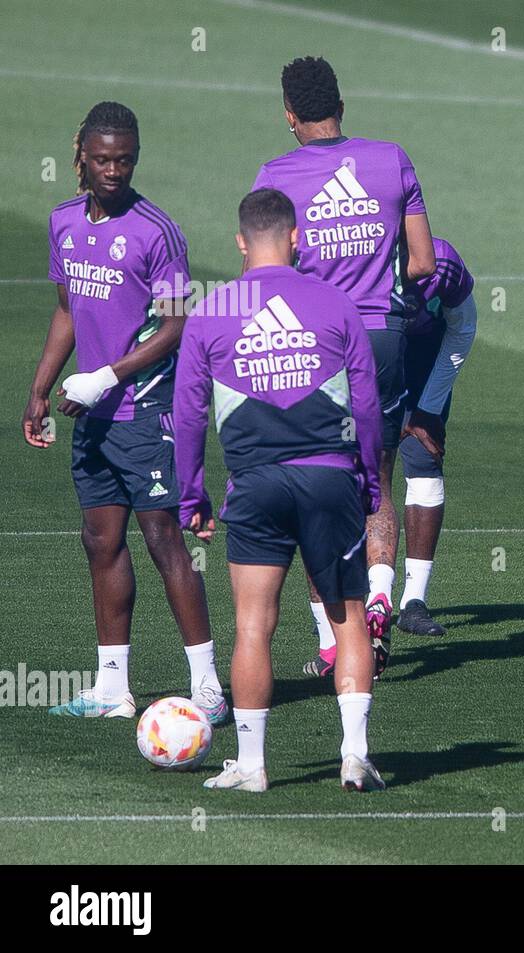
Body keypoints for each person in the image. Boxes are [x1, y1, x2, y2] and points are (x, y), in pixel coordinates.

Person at [175, 188, 386, 791]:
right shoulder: (336, 302)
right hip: (329, 481)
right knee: (347, 619)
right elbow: (366, 406)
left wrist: (193, 497)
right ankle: (354, 755)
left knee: (251, 624)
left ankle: (252, 765)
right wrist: (369, 481)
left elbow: (188, 415)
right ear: (296, 238)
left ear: (241, 241)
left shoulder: (213, 309)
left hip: (255, 486)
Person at [27, 101, 225, 723]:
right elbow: (66, 309)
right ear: (81, 155)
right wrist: (41, 387)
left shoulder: (155, 231)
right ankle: (112, 690)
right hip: (93, 416)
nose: (116, 170)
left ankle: (209, 689)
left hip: (144, 411)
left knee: (164, 538)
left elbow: (175, 325)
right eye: (105, 159)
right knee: (100, 541)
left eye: (127, 159)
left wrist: (105, 377)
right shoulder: (63, 222)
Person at [250, 56, 435, 678]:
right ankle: (380, 598)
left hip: (312, 342)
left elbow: (269, 274)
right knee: (377, 473)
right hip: (381, 338)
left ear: (289, 115)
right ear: (342, 107)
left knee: (313, 482)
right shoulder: (391, 159)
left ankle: (332, 643)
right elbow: (422, 264)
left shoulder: (275, 174)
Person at [394, 237, 477, 637]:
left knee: (424, 460)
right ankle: (365, 597)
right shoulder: (352, 263)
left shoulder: (442, 261)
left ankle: (413, 601)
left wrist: (427, 407)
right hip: (361, 358)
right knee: (358, 469)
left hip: (425, 360)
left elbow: (463, 328)